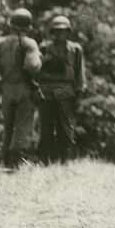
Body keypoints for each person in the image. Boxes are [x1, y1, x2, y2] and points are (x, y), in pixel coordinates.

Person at [0, 8, 42, 168]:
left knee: (8, 126)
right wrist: (39, 59)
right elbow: (32, 66)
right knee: (22, 126)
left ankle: (5, 161)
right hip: (24, 88)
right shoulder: (30, 43)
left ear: (11, 25)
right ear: (28, 26)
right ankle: (16, 161)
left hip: (7, 88)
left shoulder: (0, 43)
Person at [37, 15, 87, 164]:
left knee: (65, 127)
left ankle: (64, 160)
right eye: (57, 31)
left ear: (68, 32)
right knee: (46, 126)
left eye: (64, 31)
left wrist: (79, 92)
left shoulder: (75, 49)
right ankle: (45, 160)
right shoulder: (44, 48)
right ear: (53, 32)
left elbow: (80, 72)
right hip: (46, 89)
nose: (60, 34)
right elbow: (36, 70)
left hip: (66, 89)